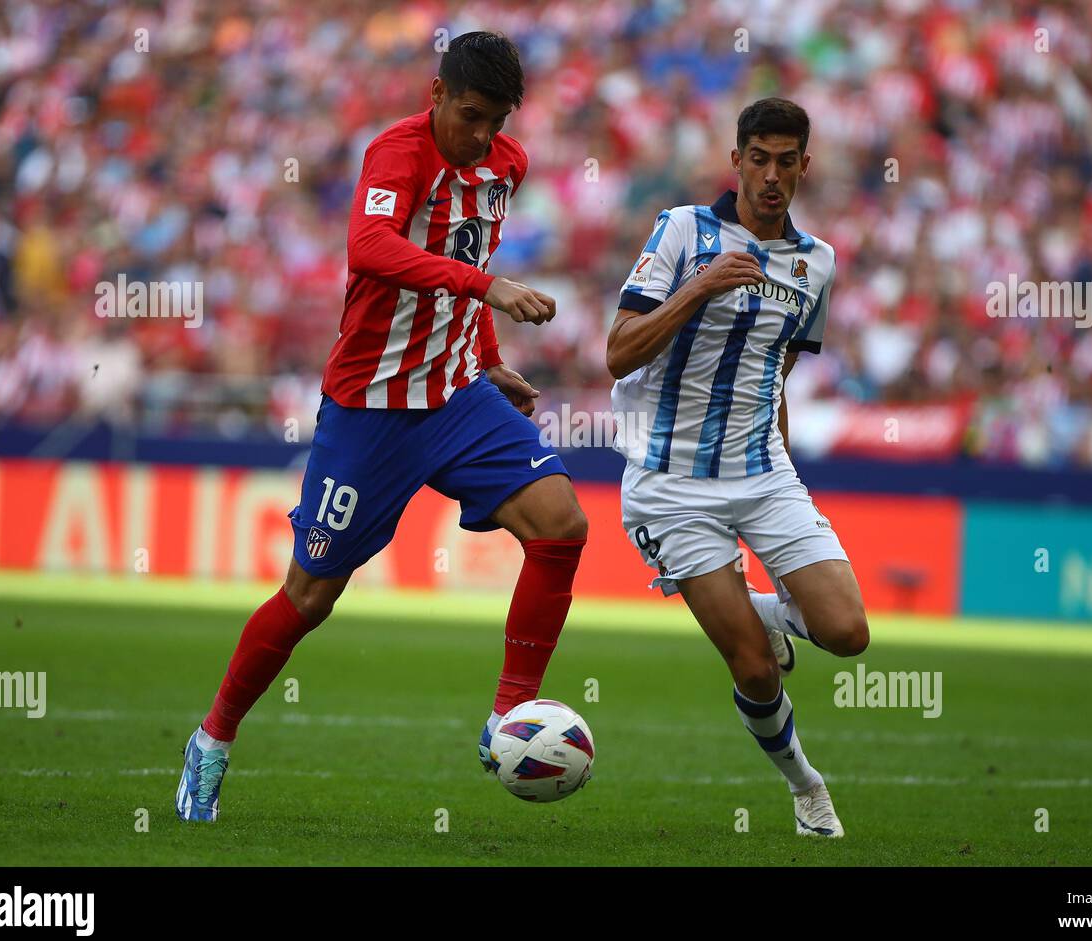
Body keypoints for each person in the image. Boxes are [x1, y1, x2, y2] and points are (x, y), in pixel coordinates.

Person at [177, 32, 587, 822]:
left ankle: (510, 718)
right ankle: (213, 739)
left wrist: (488, 354)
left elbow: (468, 255)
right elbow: (370, 248)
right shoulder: (396, 154)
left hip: (457, 394)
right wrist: (489, 289)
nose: (481, 136)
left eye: (495, 121)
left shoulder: (507, 164)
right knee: (310, 595)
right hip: (370, 408)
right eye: (470, 116)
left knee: (562, 526)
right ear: (436, 95)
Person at [605, 97, 870, 837]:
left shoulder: (817, 263)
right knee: (754, 669)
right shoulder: (684, 230)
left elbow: (776, 370)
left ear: (804, 167)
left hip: (763, 476)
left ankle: (753, 606)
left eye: (788, 161)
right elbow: (618, 350)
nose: (772, 175)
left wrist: (782, 464)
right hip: (671, 484)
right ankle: (807, 786)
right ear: (738, 160)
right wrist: (700, 286)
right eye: (760, 159)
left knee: (849, 633)